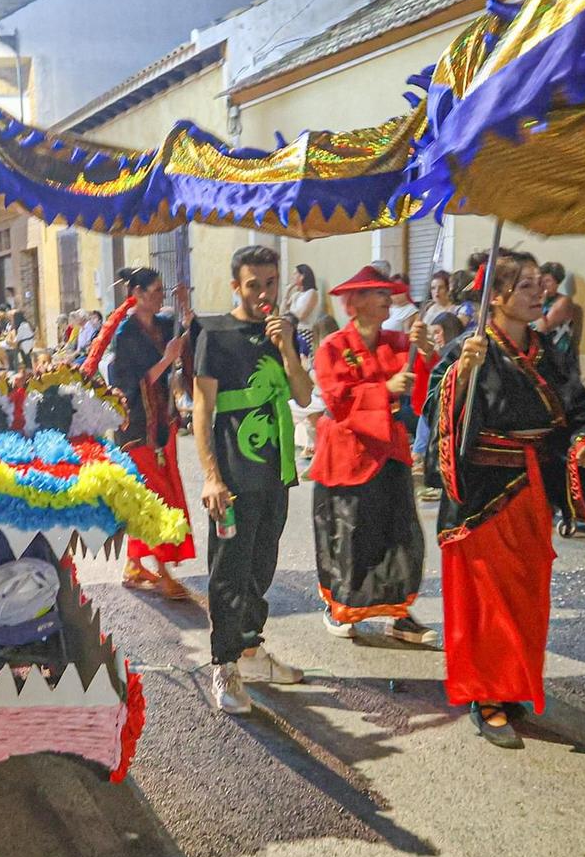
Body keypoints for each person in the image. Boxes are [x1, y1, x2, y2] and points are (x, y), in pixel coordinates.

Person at [435, 252, 585, 749]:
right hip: (484, 491)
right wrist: (461, 377)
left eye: (540, 284)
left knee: (527, 593)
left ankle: (511, 685)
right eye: (526, 285)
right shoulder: (469, 348)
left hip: (533, 489)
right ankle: (486, 696)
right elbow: (436, 414)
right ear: (498, 296)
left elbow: (577, 406)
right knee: (485, 600)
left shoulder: (549, 348)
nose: (539, 293)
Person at [193, 245, 314, 714]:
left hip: (275, 470)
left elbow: (302, 396)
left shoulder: (283, 331)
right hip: (231, 474)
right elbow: (203, 408)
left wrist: (286, 347)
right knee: (230, 571)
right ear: (234, 286)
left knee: (261, 566)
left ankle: (250, 650)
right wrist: (210, 476)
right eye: (252, 285)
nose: (263, 294)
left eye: (270, 283)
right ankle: (224, 665)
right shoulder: (213, 332)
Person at [311, 265, 437, 646]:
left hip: (390, 449)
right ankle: (341, 607)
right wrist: (384, 389)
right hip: (347, 451)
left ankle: (397, 613)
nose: (386, 298)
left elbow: (421, 391)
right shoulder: (333, 346)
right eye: (377, 292)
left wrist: (426, 353)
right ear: (356, 302)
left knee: (400, 533)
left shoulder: (399, 342)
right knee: (350, 534)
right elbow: (337, 399)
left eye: (387, 292)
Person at [106, 268, 198, 600]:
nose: (161, 296)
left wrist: (186, 310)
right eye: (156, 291)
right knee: (154, 497)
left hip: (164, 421)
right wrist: (166, 360)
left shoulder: (162, 324)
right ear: (139, 293)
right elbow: (127, 384)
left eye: (162, 290)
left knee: (164, 491)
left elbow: (189, 343)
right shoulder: (125, 333)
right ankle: (164, 572)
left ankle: (133, 564)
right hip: (138, 428)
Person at [536, 261, 582, 364]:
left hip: (557, 355)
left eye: (548, 281)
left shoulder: (563, 301)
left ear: (557, 282)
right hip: (539, 353)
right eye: (541, 281)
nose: (543, 285)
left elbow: (543, 328)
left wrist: (539, 304)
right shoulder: (535, 300)